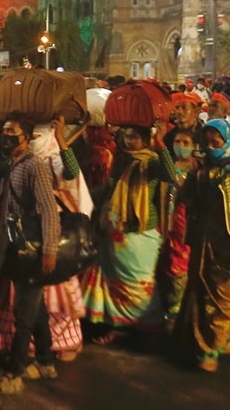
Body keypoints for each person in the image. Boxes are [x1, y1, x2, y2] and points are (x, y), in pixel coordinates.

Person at [174, 119, 230, 373]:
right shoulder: (202, 169)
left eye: (216, 139)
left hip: (229, 245)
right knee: (200, 292)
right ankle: (215, 341)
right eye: (207, 140)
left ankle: (210, 348)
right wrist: (189, 172)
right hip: (202, 241)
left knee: (223, 296)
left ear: (227, 139)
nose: (211, 145)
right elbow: (183, 196)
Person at [0, 115, 59, 395]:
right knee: (35, 309)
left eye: (12, 133)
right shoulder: (12, 164)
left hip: (33, 249)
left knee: (25, 312)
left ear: (27, 138)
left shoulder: (34, 167)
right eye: (5, 132)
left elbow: (48, 208)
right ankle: (44, 361)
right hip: (18, 248)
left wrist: (49, 249)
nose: (7, 137)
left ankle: (14, 372)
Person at [82, 124, 171, 339]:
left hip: (141, 231)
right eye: (127, 137)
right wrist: (86, 197)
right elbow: (111, 187)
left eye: (135, 138)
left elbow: (170, 174)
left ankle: (147, 324)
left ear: (145, 140)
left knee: (140, 280)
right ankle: (115, 325)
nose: (130, 141)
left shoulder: (153, 161)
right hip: (114, 227)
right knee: (114, 281)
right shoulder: (121, 159)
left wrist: (161, 143)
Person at [158, 128, 198, 325]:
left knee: (179, 265)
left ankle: (177, 312)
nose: (181, 146)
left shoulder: (197, 169)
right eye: (177, 142)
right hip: (165, 221)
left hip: (185, 222)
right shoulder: (167, 166)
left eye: (185, 143)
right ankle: (166, 308)